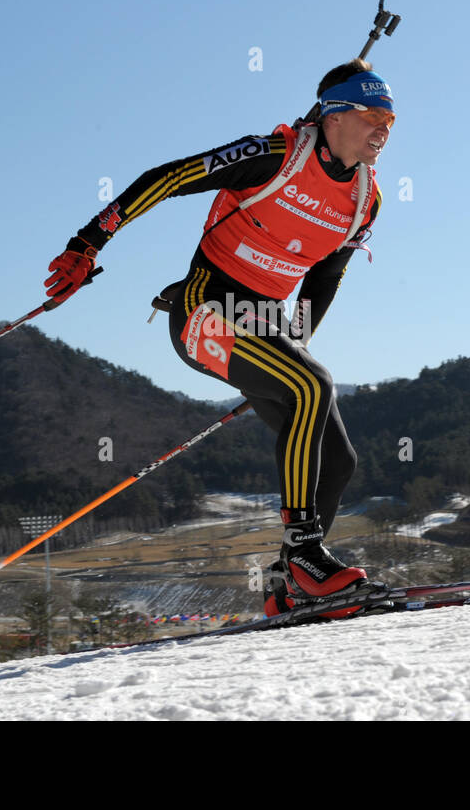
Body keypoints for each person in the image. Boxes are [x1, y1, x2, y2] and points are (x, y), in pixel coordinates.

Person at [45, 58, 394, 616]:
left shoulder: (366, 199)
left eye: (392, 119)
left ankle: (286, 586)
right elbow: (170, 177)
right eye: (373, 113)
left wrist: (293, 346)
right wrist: (88, 243)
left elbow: (325, 277)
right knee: (312, 385)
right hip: (204, 307)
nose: (384, 126)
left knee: (338, 460)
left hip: (262, 324)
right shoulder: (274, 155)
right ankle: (305, 555)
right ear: (333, 116)